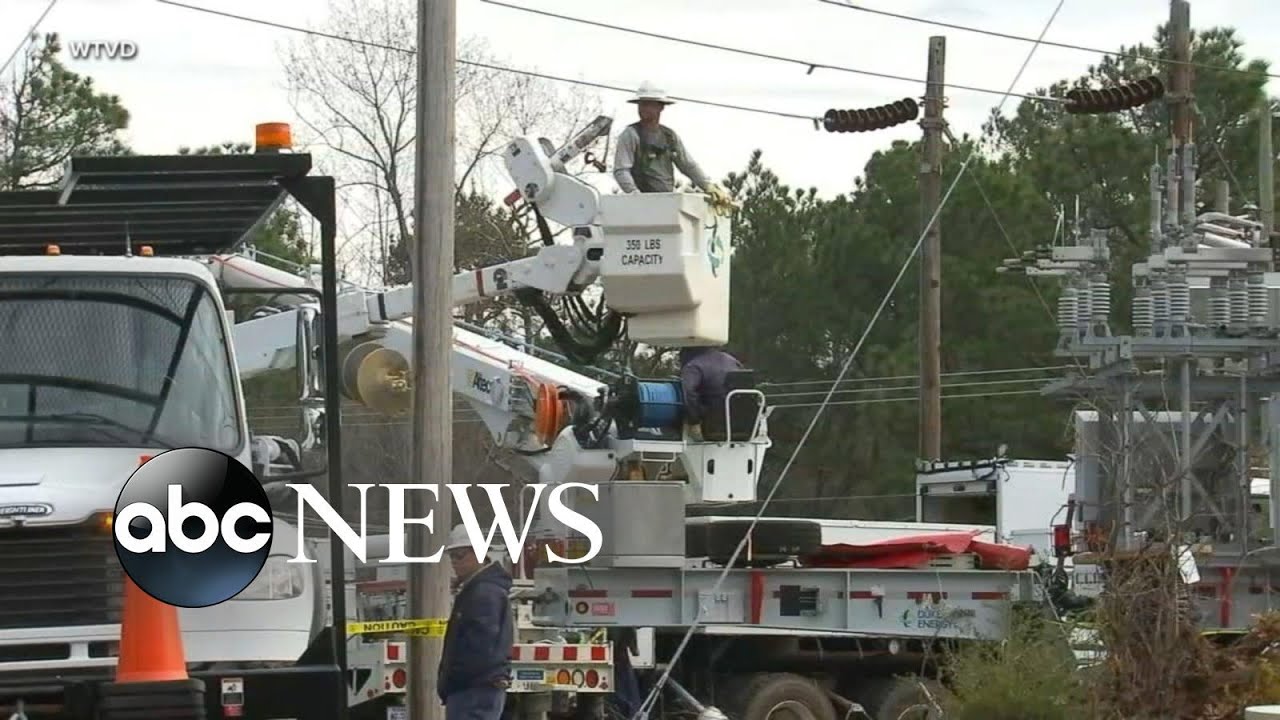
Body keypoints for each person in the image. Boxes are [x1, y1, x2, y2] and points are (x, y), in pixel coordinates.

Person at [436, 524, 514, 720]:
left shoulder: (483, 593)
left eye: (460, 555)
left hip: (473, 690)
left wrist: (453, 680)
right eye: (452, 556)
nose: (454, 562)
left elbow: (480, 648)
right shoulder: (480, 589)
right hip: (476, 689)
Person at [613, 82, 731, 206]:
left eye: (649, 104)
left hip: (666, 201)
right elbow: (621, 170)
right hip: (640, 203)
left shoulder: (669, 136)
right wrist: (635, 195)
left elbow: (687, 165)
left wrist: (708, 186)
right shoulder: (631, 134)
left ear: (660, 107)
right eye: (642, 104)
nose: (643, 108)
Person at [679, 345, 744, 442]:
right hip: (741, 423)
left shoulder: (693, 366)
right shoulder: (733, 361)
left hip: (710, 424)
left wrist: (694, 421)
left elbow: (687, 393)